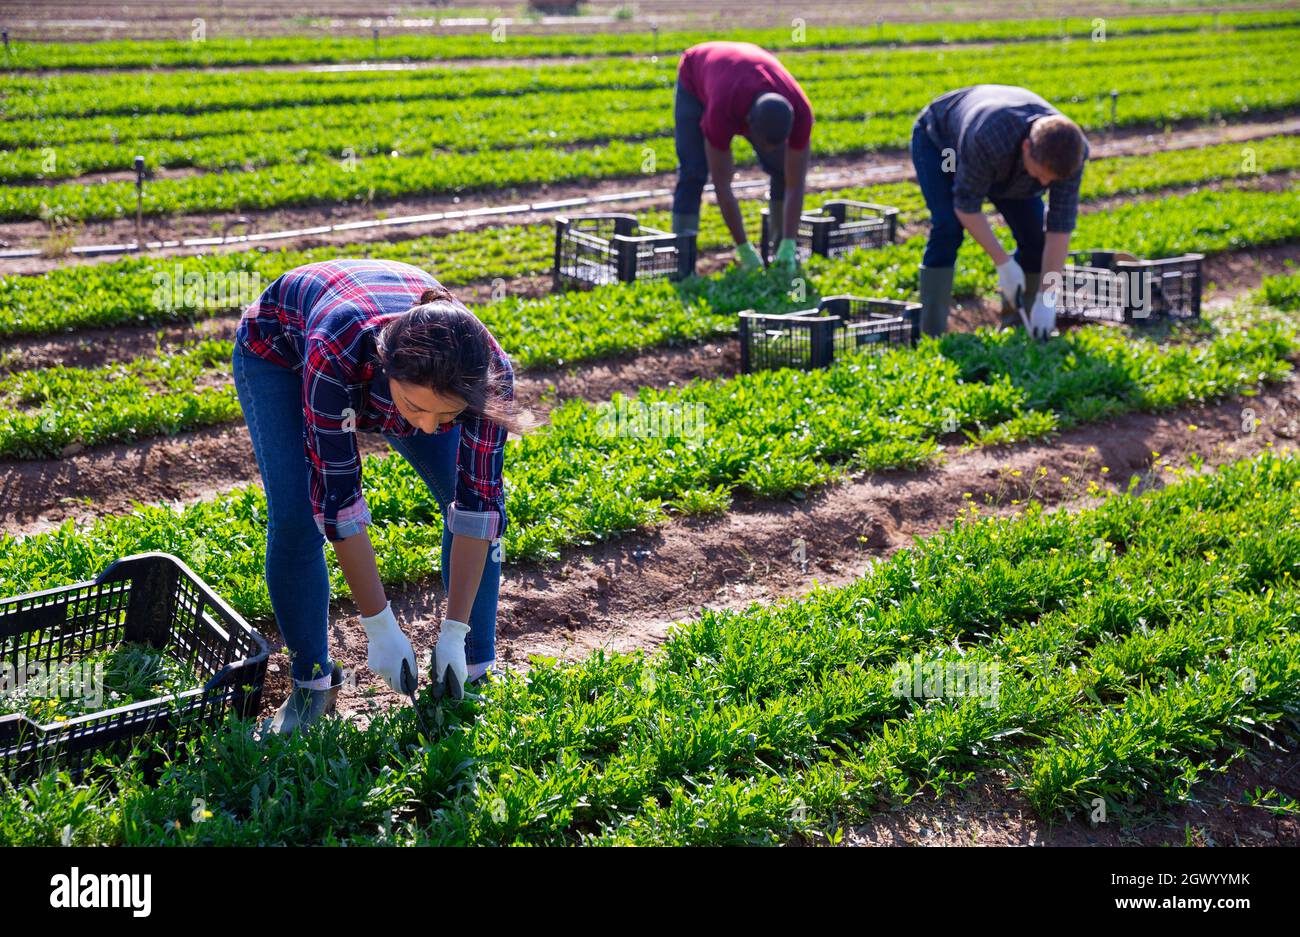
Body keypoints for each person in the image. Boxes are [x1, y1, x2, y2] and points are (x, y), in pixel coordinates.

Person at [232, 258, 526, 734]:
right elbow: (338, 498)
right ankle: (312, 686)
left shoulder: (489, 375)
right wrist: (379, 625)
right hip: (280, 351)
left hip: (388, 352)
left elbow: (478, 507)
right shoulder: (336, 350)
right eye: (415, 408)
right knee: (295, 517)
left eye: (445, 416)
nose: (427, 426)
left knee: (471, 498)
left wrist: (453, 631)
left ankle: (469, 672)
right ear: (387, 371)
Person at [911, 84, 1089, 338]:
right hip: (943, 146)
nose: (1045, 185)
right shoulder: (988, 136)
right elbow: (966, 205)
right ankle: (931, 332)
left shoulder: (1072, 153)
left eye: (1051, 180)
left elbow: (1059, 226)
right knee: (948, 226)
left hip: (1005, 165)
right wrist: (1003, 263)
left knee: (1035, 237)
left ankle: (1021, 326)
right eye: (1040, 175)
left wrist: (1047, 296)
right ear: (1028, 147)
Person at [671, 41, 815, 278]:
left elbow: (795, 181)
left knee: (781, 168)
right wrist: (743, 247)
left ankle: (781, 252)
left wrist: (790, 241)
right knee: (693, 172)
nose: (770, 149)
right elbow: (722, 184)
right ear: (748, 126)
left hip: (740, 68)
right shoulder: (722, 110)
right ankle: (683, 266)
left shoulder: (800, 112)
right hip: (696, 74)